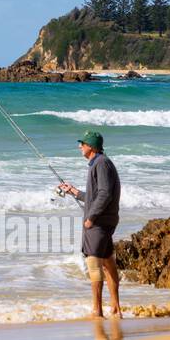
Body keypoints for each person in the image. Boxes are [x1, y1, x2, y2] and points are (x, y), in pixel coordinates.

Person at [57, 130, 121, 318]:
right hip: (105, 220)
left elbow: (104, 194)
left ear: (91, 147)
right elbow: (95, 196)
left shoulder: (101, 163)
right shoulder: (100, 162)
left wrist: (91, 218)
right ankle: (116, 307)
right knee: (108, 262)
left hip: (99, 222)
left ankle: (97, 310)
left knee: (93, 263)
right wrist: (74, 192)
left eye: (82, 144)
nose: (80, 146)